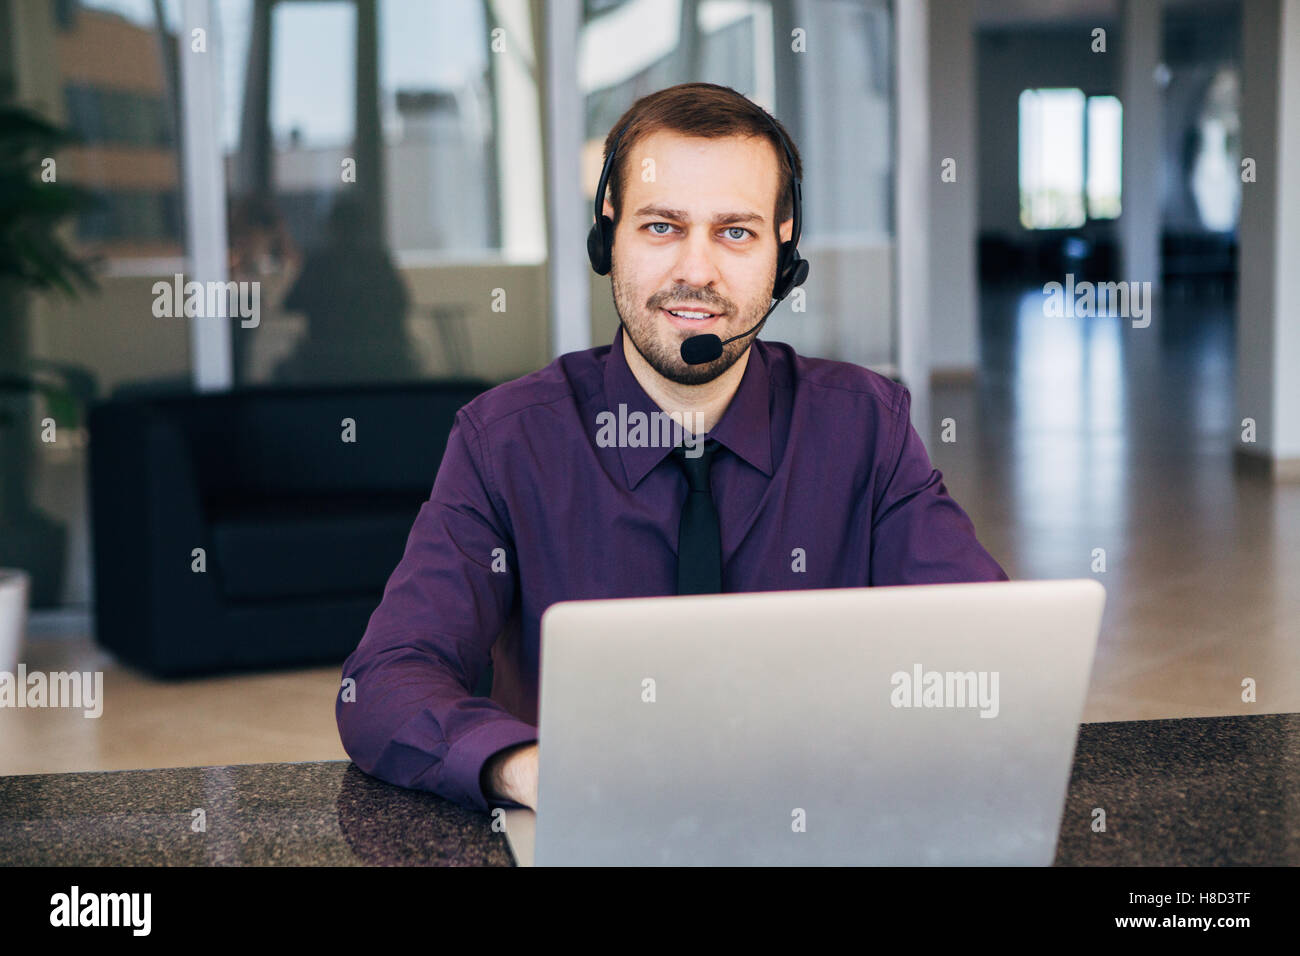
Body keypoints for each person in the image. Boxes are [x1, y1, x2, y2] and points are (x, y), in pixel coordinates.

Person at [336, 82, 1007, 814]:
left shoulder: (864, 426)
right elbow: (387, 680)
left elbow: (981, 651)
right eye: (661, 228)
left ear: (785, 255)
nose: (696, 272)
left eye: (736, 232)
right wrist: (525, 768)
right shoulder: (505, 443)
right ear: (607, 236)